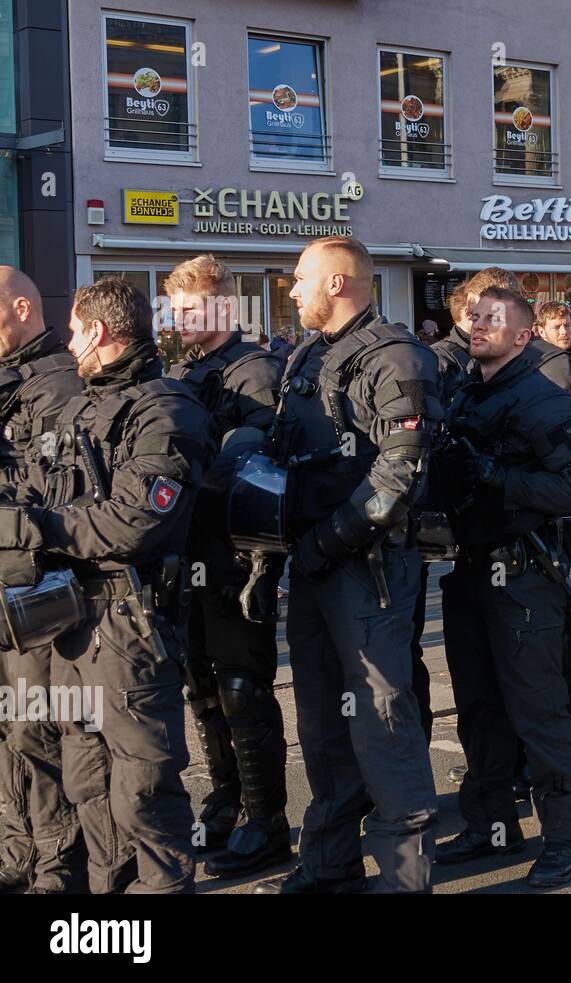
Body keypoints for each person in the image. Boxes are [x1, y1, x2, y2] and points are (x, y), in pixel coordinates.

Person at [0, 276, 214, 892]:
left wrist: (30, 525)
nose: (68, 344)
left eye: (72, 331)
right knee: (87, 778)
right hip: (70, 623)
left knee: (142, 782)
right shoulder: (78, 407)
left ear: (97, 331)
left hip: (131, 622)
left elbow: (134, 522)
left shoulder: (166, 408)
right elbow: (39, 490)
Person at [255, 237, 440, 894]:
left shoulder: (396, 356)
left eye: (302, 279)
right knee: (322, 722)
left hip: (368, 569)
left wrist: (326, 541)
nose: (293, 290)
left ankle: (403, 878)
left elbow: (398, 475)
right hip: (312, 567)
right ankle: (330, 863)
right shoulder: (309, 354)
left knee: (383, 720)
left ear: (339, 283)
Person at [437, 285, 571, 887]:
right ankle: (491, 825)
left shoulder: (544, 401)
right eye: (474, 317)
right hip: (470, 571)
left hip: (525, 579)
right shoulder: (465, 393)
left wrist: (500, 478)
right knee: (478, 710)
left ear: (523, 334)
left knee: (539, 715)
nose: (478, 326)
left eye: (493, 320)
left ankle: (566, 839)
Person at [163, 255, 290, 879]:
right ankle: (224, 803)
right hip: (188, 551)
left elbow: (261, 468)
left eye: (191, 309)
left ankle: (266, 822)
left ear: (223, 307)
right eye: (175, 309)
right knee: (202, 685)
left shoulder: (255, 370)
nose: (179, 320)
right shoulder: (182, 372)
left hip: (237, 554)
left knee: (243, 687)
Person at [0, 267, 85, 894]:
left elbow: (50, 492)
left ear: (22, 307)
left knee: (35, 725)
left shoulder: (60, 384)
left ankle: (57, 866)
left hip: (35, 586)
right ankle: (16, 854)